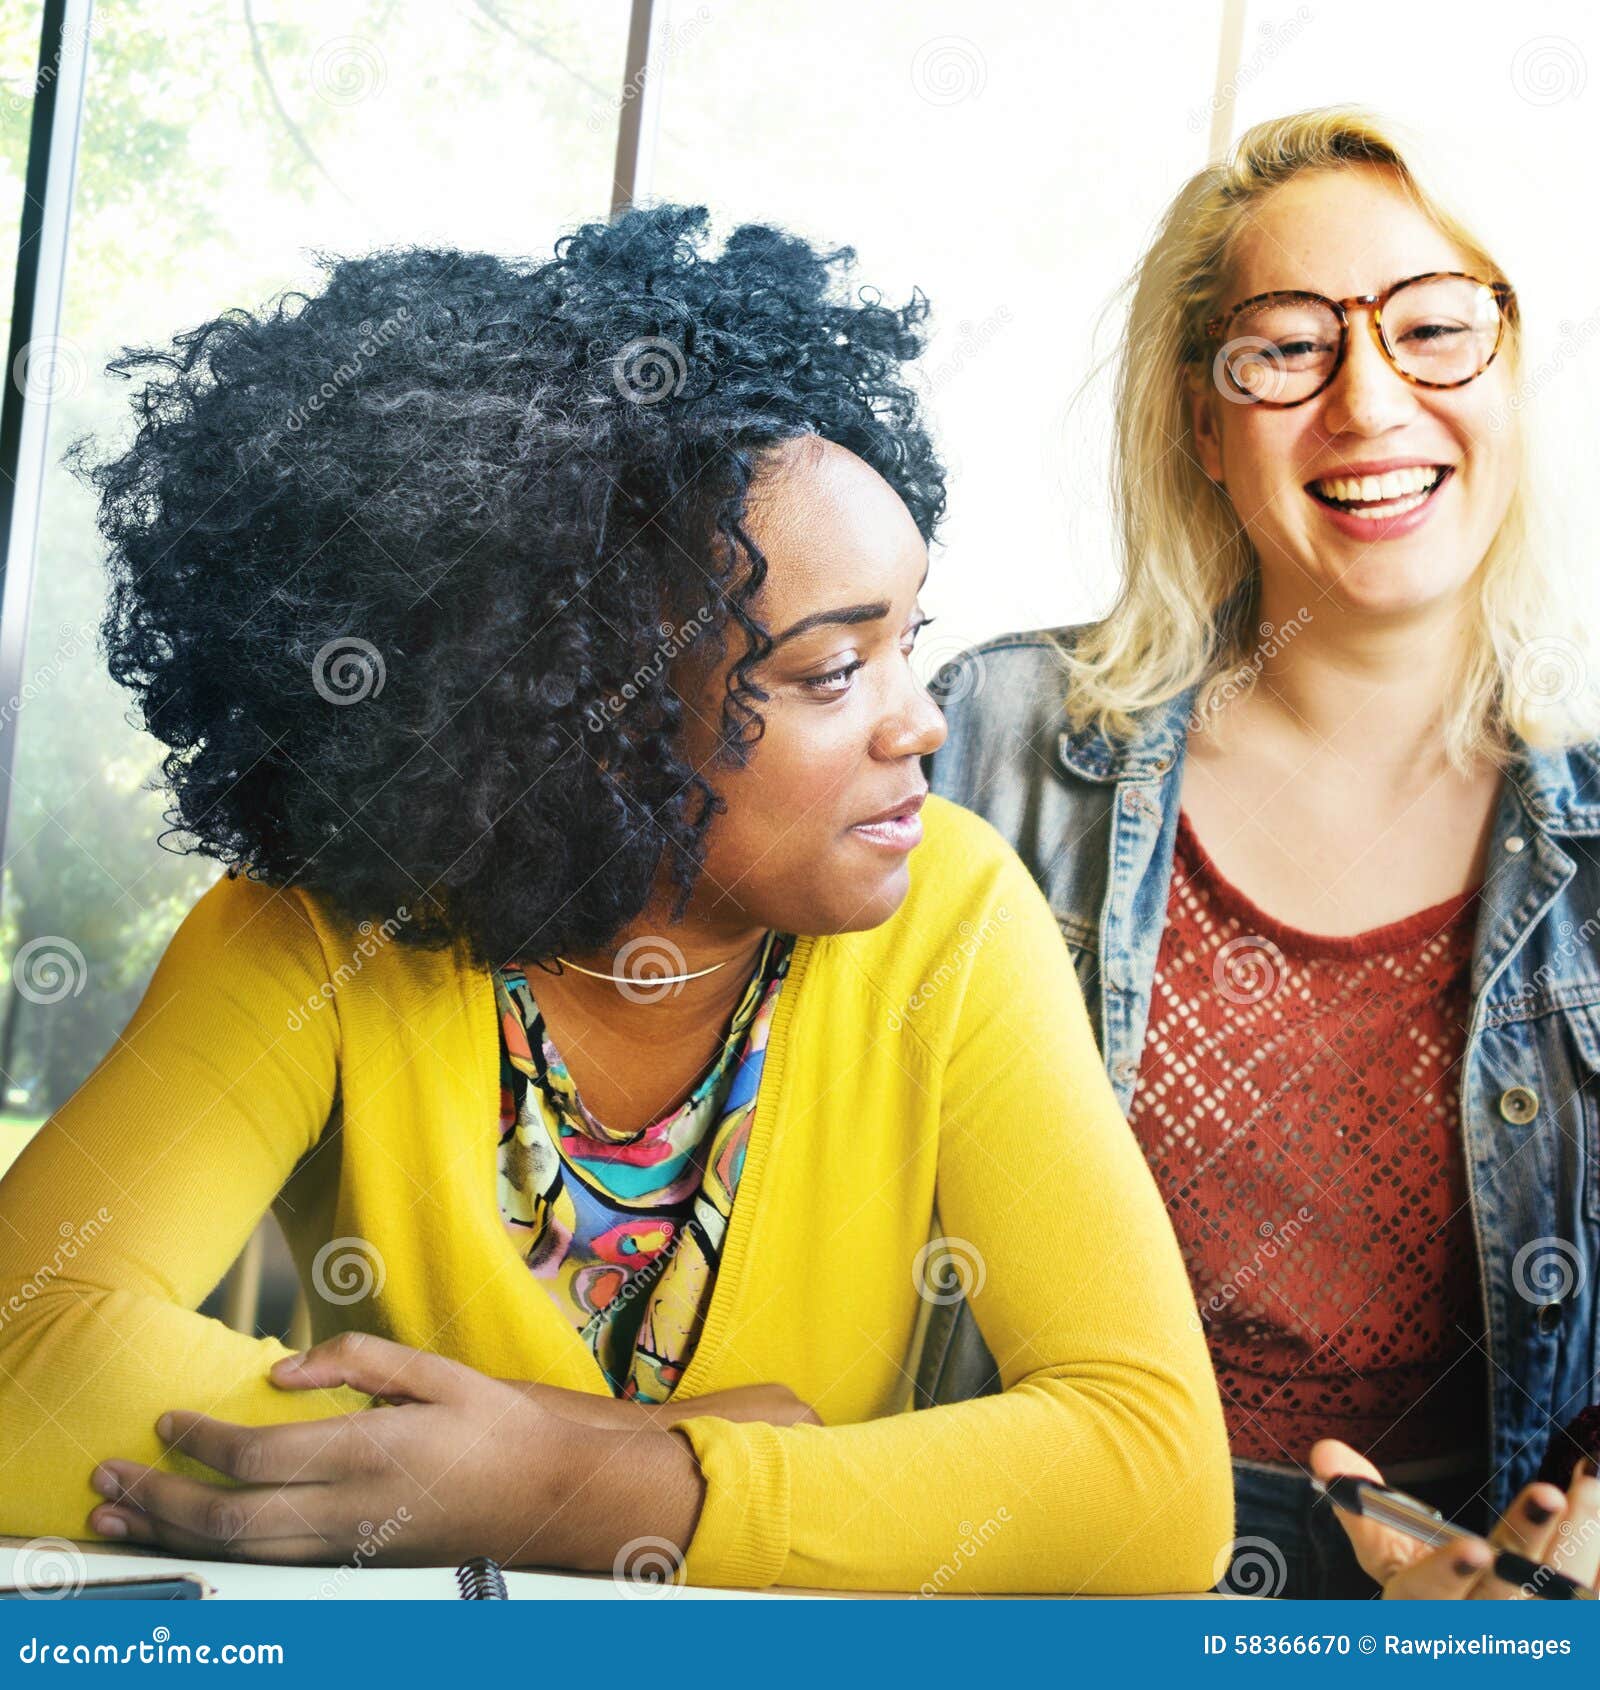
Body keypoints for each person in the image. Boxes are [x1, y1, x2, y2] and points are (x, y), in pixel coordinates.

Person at [0, 206, 1232, 1595]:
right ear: (592, 713)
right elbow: (21, 1350)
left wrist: (564, 1482)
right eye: (834, 672)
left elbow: (1154, 1487)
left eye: (910, 640)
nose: (921, 724)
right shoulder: (322, 932)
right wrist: (586, 1468)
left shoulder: (954, 917)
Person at [926, 107, 1600, 1599]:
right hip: (1024, 1583)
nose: (1369, 402)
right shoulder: (991, 743)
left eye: (1435, 330)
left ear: (1510, 373)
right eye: (1287, 348)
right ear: (1200, 423)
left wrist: (1564, 1568)